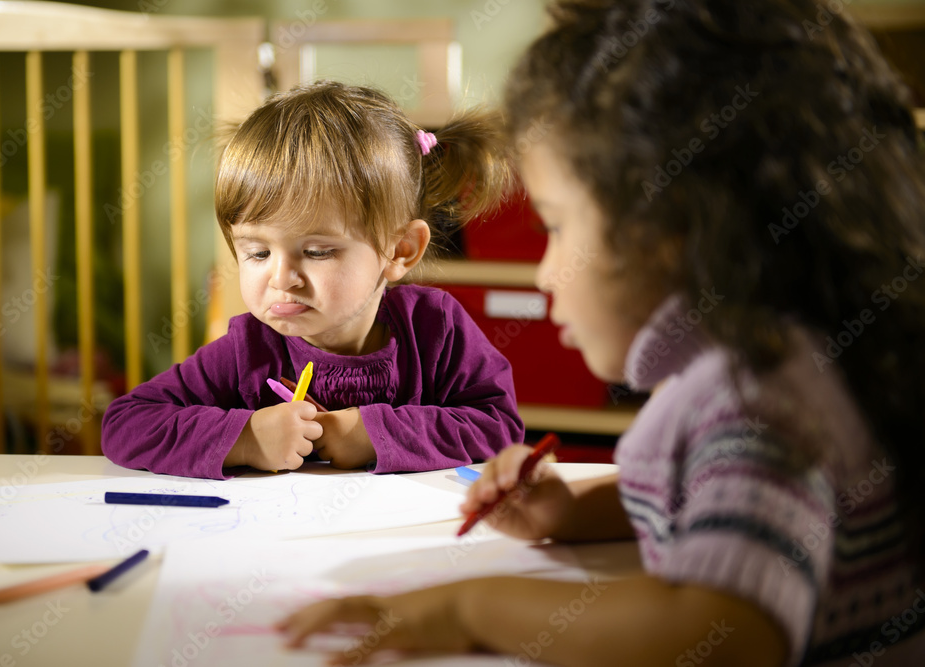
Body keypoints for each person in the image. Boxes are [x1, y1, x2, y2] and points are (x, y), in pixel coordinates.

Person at [277, 1, 925, 665]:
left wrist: (470, 606)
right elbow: (727, 501)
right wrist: (577, 511)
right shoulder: (781, 365)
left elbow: (726, 630)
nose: (547, 273)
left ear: (671, 231)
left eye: (555, 227)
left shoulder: (758, 395)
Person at [101, 81, 524, 478]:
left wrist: (376, 434)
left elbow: (500, 427)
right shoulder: (247, 350)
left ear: (400, 250)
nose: (282, 278)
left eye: (317, 252)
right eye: (258, 252)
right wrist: (244, 438)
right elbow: (125, 424)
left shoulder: (435, 328)